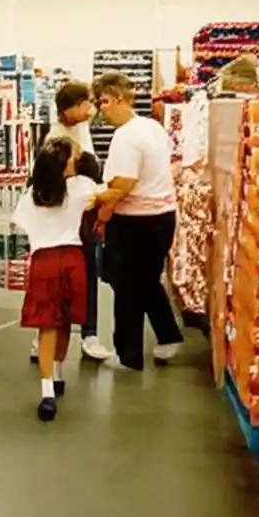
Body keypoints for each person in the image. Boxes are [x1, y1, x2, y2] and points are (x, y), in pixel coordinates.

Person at [11, 136, 116, 422]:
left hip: (43, 262)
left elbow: (16, 225)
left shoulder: (31, 196)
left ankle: (47, 391)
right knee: (66, 320)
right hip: (72, 260)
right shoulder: (82, 187)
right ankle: (57, 373)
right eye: (75, 156)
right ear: (65, 165)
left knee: (47, 325)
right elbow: (110, 193)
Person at [93, 70, 185, 371]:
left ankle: (129, 355)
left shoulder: (126, 136)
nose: (101, 109)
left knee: (128, 288)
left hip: (136, 223)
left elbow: (122, 184)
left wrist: (94, 200)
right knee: (146, 280)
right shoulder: (151, 127)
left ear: (119, 98)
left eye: (104, 101)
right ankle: (169, 336)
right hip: (162, 218)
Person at [28, 81, 115, 362]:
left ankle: (89, 334)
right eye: (86, 103)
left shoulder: (81, 126)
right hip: (63, 217)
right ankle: (44, 335)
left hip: (84, 213)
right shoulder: (55, 140)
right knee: (55, 279)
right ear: (70, 108)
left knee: (87, 273)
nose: (91, 109)